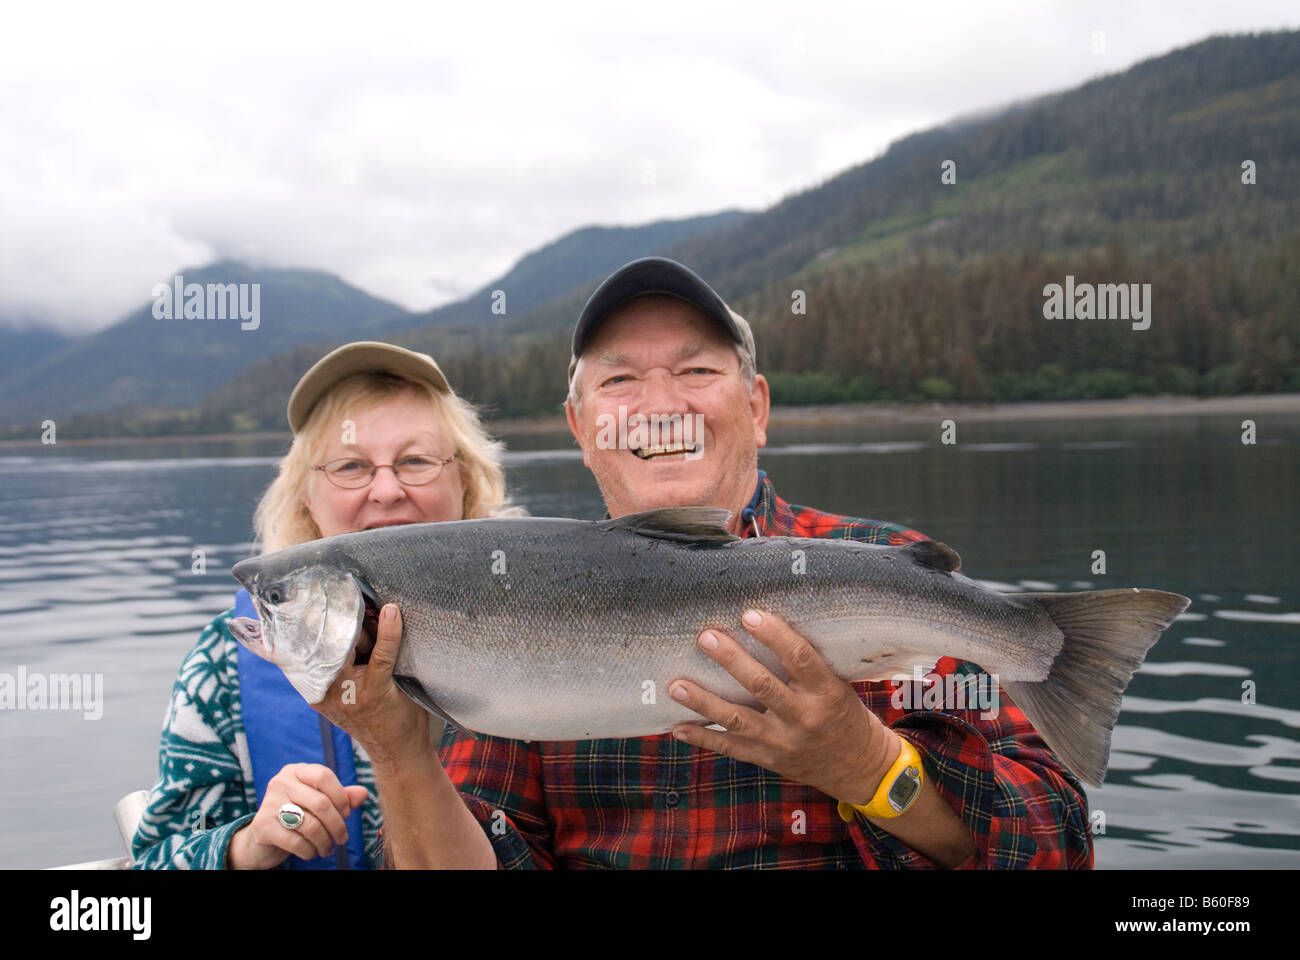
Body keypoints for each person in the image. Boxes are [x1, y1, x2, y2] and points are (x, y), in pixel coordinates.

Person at [314, 259, 1094, 869]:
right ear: (581, 429)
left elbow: (1057, 846)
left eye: (695, 371)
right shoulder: (509, 593)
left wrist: (868, 767)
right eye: (620, 379)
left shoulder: (885, 572)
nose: (659, 403)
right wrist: (397, 748)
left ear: (755, 408)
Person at [131, 341, 517, 869]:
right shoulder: (226, 661)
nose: (386, 489)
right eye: (351, 466)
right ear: (304, 500)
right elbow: (152, 862)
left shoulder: (549, 621)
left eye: (416, 461)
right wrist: (247, 846)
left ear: (466, 482)